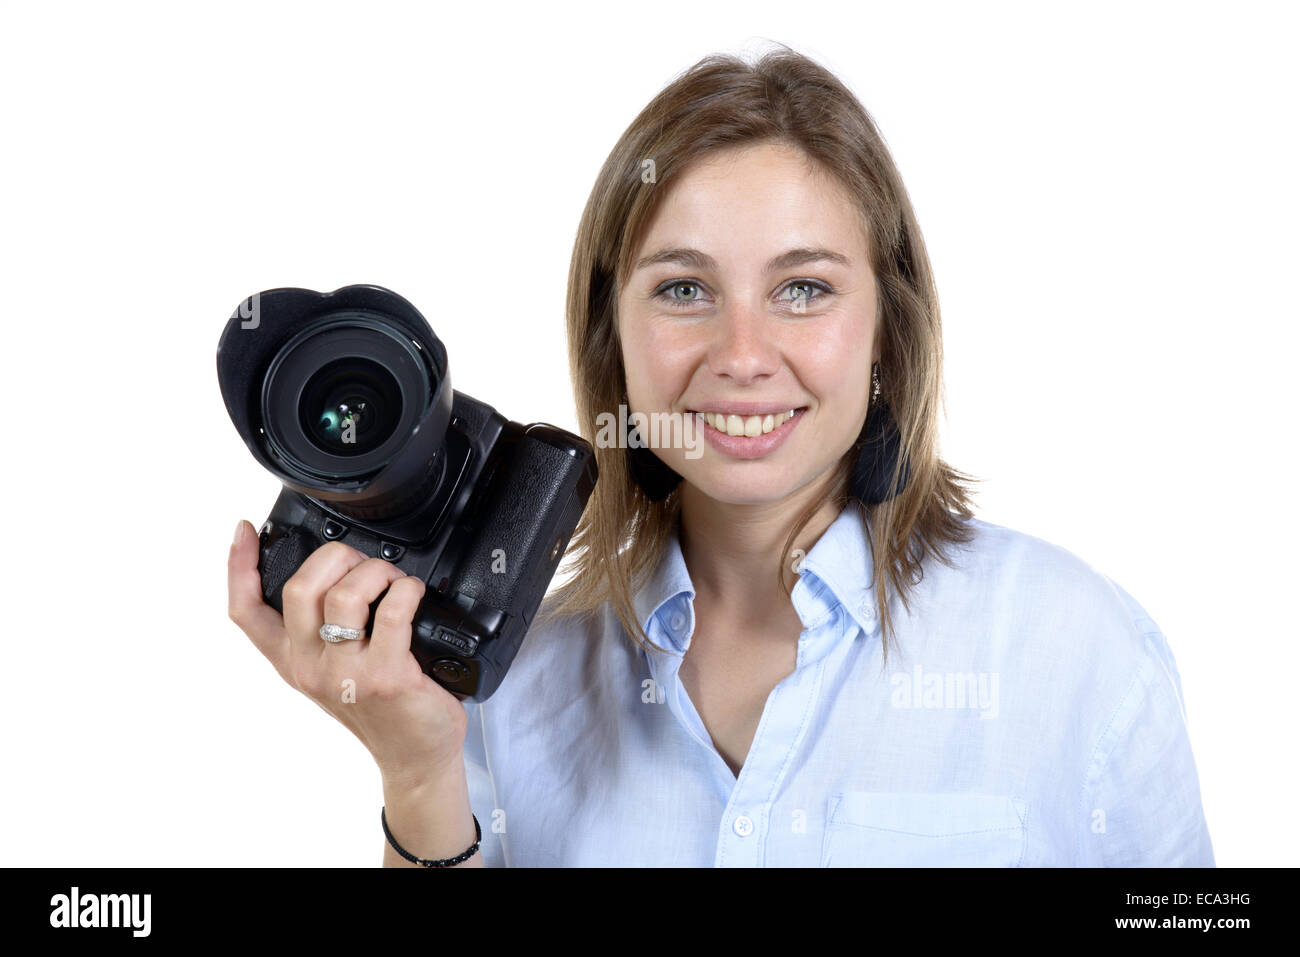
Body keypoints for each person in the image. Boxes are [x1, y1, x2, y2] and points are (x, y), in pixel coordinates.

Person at [228, 44, 1214, 867]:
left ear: (887, 332)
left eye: (803, 290)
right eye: (683, 291)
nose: (742, 357)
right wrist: (416, 778)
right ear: (610, 340)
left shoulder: (1077, 652)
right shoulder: (507, 682)